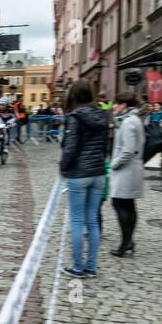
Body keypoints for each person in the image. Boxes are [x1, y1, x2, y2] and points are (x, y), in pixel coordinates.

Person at [60, 78, 110, 278]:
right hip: (98, 173)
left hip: (79, 174)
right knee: (92, 221)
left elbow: (70, 148)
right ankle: (91, 266)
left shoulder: (75, 117)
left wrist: (63, 167)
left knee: (77, 221)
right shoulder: (103, 116)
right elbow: (106, 146)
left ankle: (78, 267)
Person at [108, 93, 144, 258]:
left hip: (126, 170)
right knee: (128, 205)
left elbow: (128, 150)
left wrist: (114, 164)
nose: (114, 107)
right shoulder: (132, 119)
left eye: (116, 104)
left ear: (123, 105)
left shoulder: (129, 122)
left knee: (120, 204)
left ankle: (125, 243)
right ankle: (128, 241)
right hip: (131, 169)